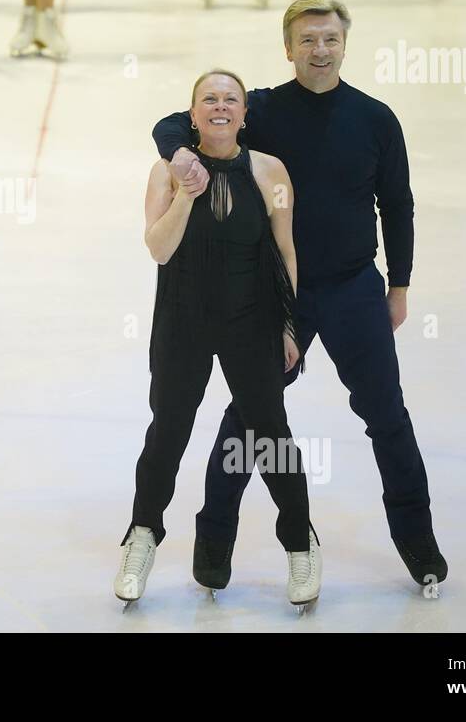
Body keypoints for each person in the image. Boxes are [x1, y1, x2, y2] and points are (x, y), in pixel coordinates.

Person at [151, 0, 448, 594]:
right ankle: (213, 539)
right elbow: (170, 124)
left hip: (354, 290)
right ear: (288, 49)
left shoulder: (375, 118)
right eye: (307, 40)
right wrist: (183, 154)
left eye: (330, 40)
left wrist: (400, 284)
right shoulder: (259, 111)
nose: (319, 50)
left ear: (344, 45)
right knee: (250, 421)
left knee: (387, 415)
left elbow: (397, 205)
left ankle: (417, 540)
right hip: (273, 293)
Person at [116, 69, 320, 608]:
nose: (221, 107)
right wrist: (185, 195)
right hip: (182, 320)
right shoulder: (166, 171)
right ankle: (142, 536)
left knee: (270, 433)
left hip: (251, 320)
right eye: (210, 99)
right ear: (193, 114)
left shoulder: (268, 170)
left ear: (245, 113)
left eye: (231, 99)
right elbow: (159, 249)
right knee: (169, 432)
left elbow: (287, 252)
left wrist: (290, 325)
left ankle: (300, 543)